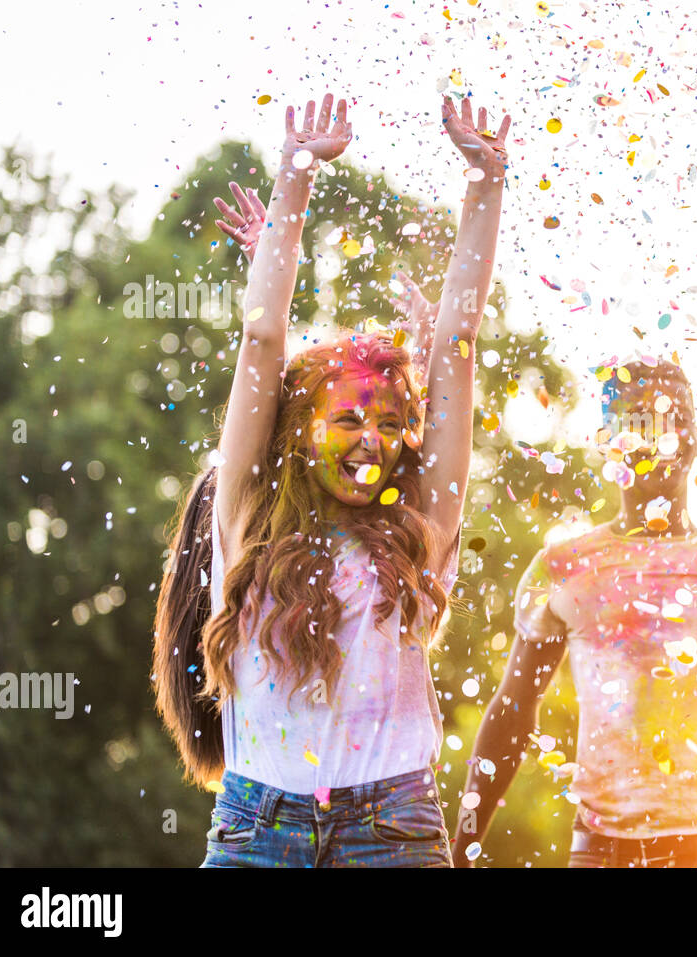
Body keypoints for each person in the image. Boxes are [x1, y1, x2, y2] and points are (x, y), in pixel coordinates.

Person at [152, 92, 510, 866]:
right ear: (299, 430)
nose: (372, 440)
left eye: (388, 423)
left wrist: (486, 182)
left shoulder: (421, 531)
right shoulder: (246, 515)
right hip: (256, 830)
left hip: (394, 830)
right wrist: (296, 174)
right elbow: (261, 335)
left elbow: (457, 344)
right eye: (348, 419)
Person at [452, 358, 697, 867]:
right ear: (608, 441)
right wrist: (459, 850)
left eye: (671, 420)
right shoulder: (564, 569)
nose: (656, 439)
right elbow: (513, 713)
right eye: (636, 424)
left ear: (694, 438)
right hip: (605, 851)